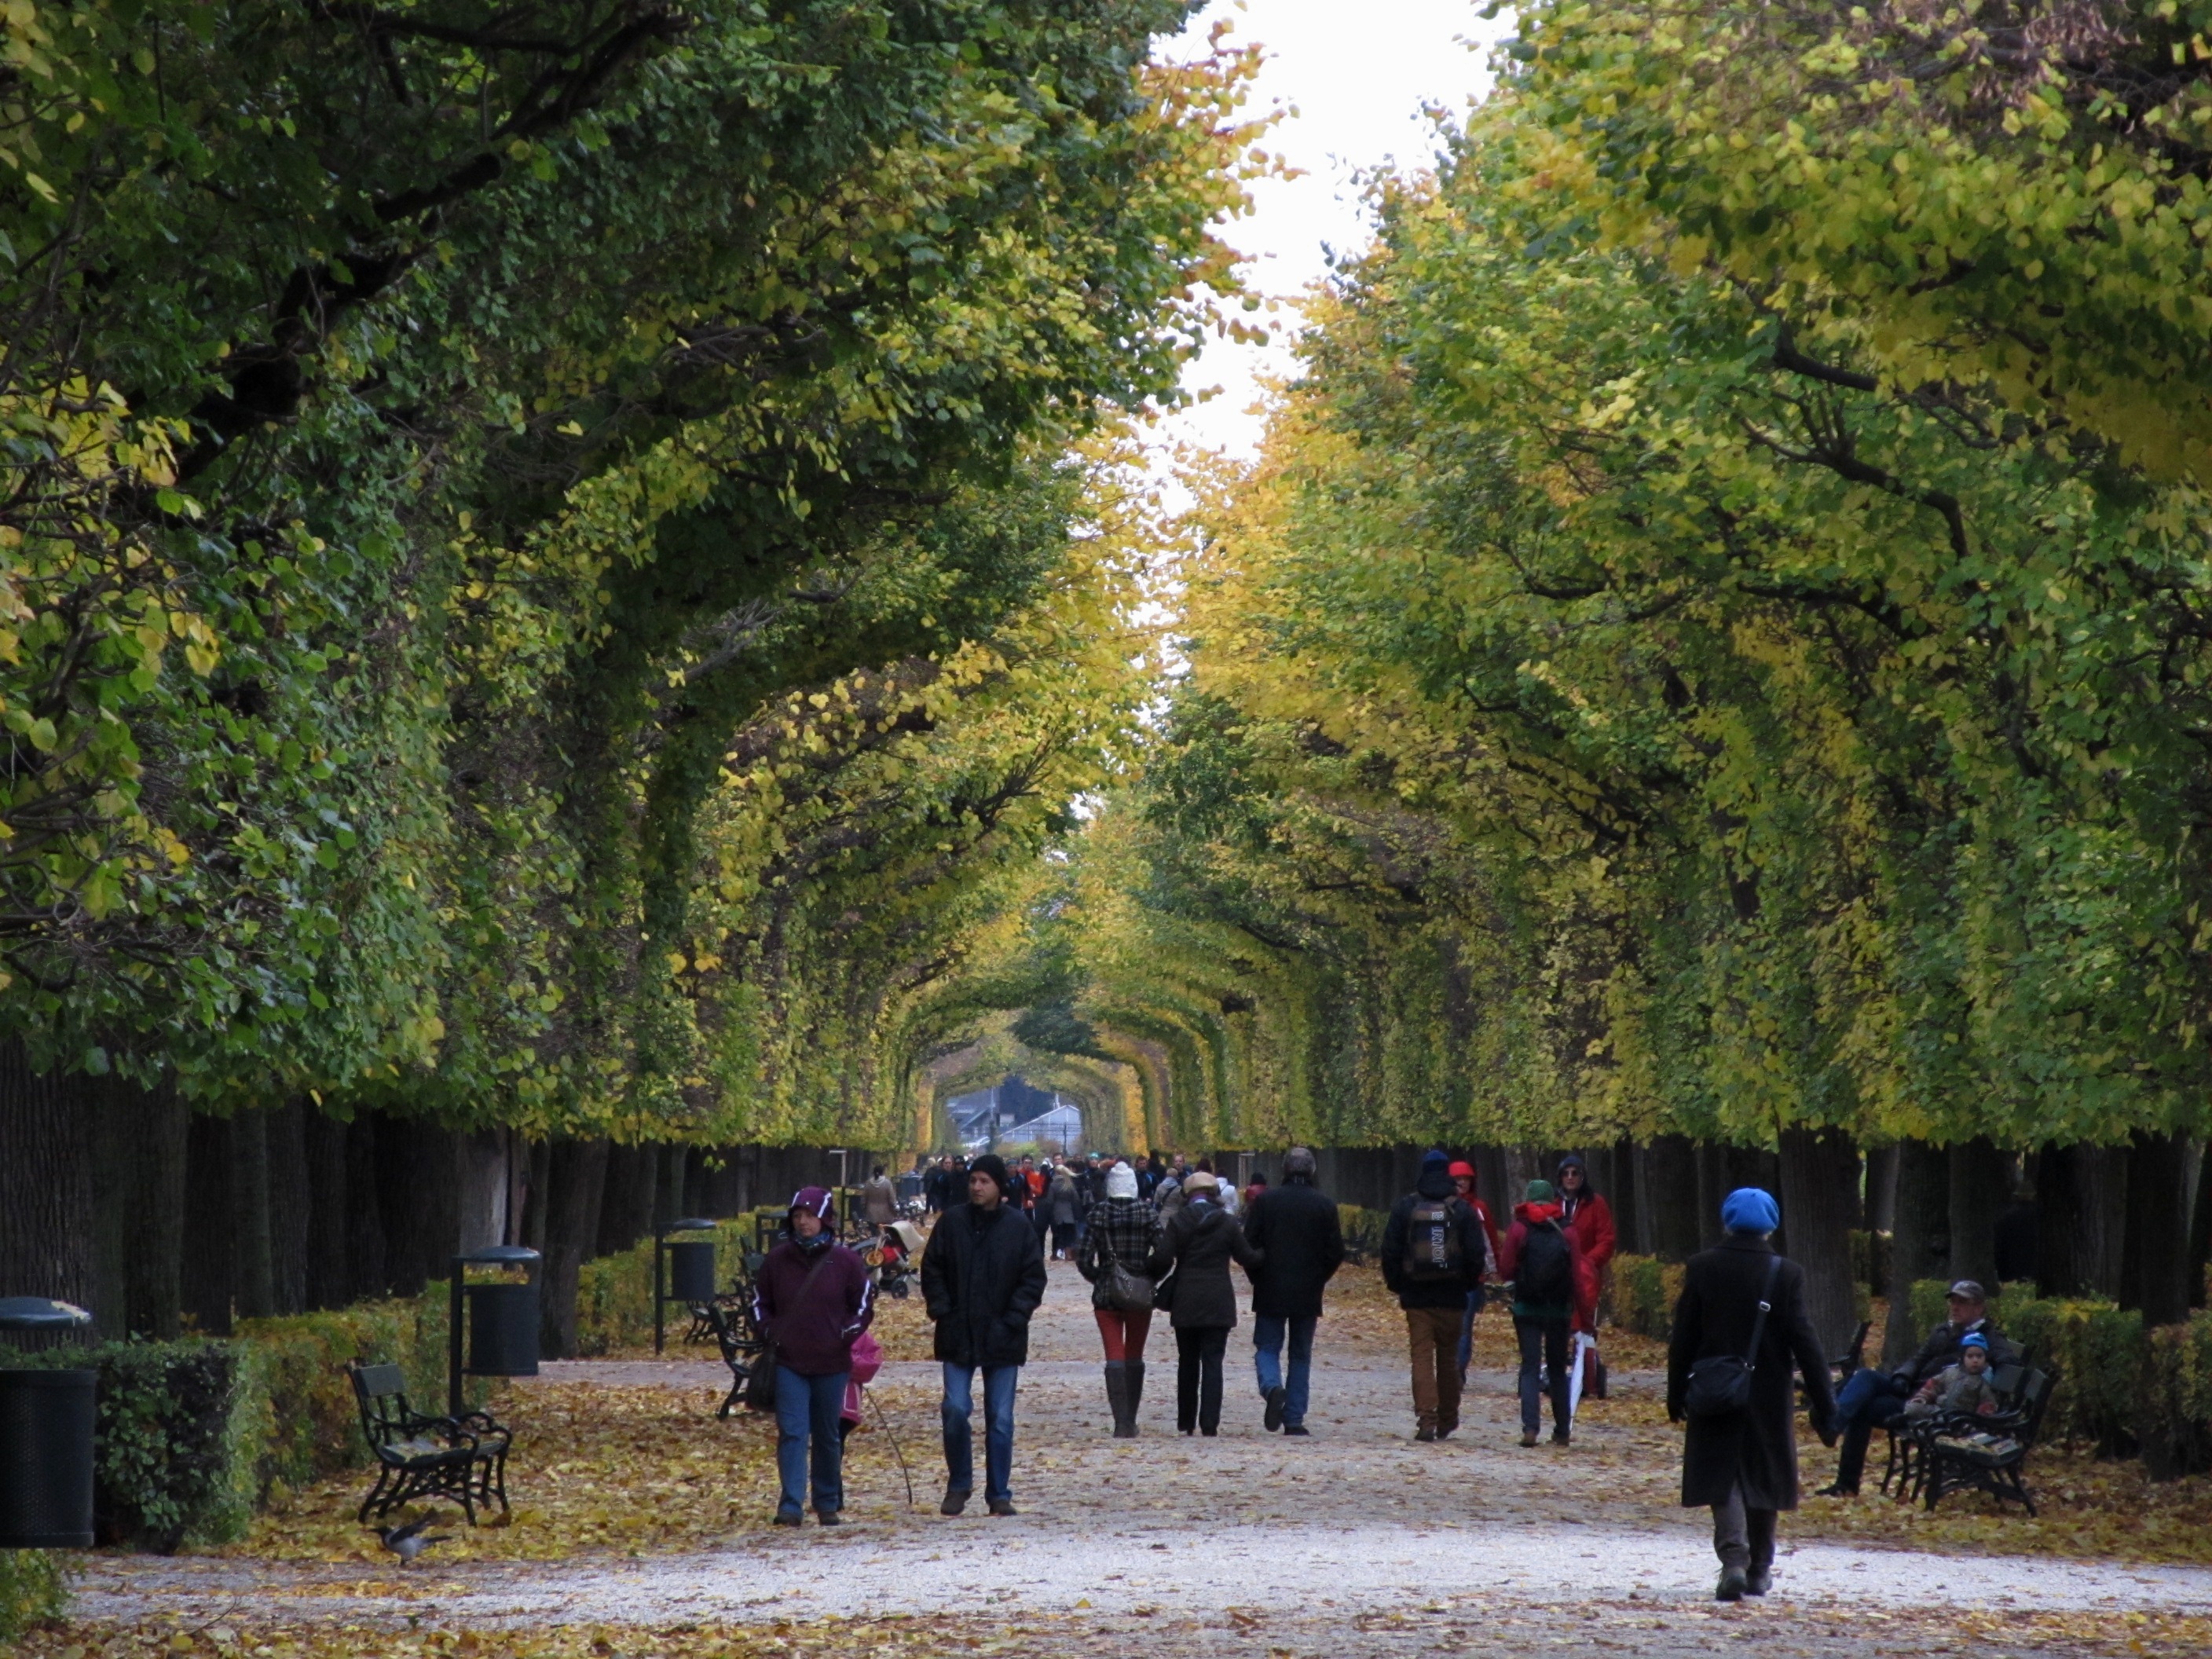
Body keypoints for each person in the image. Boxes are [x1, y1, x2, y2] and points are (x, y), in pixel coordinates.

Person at [1666, 1187, 1837, 1600]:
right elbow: (1805, 1340)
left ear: (1727, 1221)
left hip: (1714, 1387)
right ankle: (1760, 1568)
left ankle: (1734, 1561)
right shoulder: (1786, 1273)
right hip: (1767, 1392)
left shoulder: (1703, 1267)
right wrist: (1825, 1402)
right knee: (1765, 1474)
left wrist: (1676, 1392)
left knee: (1723, 1476)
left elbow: (1684, 1335)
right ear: (1771, 1225)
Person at [919, 1152, 1048, 1517]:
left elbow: (1032, 1277)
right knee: (955, 1409)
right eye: (973, 1180)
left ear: (998, 1186)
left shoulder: (1017, 1226)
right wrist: (942, 1308)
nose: (977, 1186)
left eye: (984, 1181)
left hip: (1002, 1333)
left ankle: (999, 1492)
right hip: (958, 1330)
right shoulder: (952, 1222)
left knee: (1001, 1419)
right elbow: (932, 1268)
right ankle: (959, 1484)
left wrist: (1015, 1316)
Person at [1819, 1279, 2018, 1496]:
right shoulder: (1943, 1330)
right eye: (1953, 1301)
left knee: (1863, 1407)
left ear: (1978, 1308)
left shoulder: (1988, 1336)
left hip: (1930, 1405)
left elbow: (2008, 1360)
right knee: (1866, 1376)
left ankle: (1845, 1478)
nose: (1955, 1307)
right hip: (1911, 1389)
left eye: (1963, 1302)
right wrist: (1903, 1376)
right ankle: (1835, 1425)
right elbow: (1918, 1358)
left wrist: (1983, 1366)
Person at [752, 1185, 875, 1526]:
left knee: (827, 1433)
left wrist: (847, 1333)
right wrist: (767, 1331)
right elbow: (760, 1301)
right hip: (790, 1361)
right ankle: (790, 1504)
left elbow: (863, 1305)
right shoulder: (777, 1260)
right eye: (798, 1216)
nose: (803, 1223)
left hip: (831, 1362)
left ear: (825, 1219)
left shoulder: (846, 1262)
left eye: (810, 1216)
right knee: (792, 1431)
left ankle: (826, 1501)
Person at [1380, 1148, 1489, 1441]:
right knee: (1449, 1357)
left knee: (1422, 1357)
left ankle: (1426, 1419)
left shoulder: (1407, 1206)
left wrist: (1398, 1283)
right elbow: (1476, 1253)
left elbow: (1390, 1249)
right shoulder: (1461, 1209)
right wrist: (1466, 1284)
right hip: (1452, 1296)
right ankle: (1448, 1418)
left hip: (1417, 1295)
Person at [1147, 1170, 1264, 1435]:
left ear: (1187, 1194)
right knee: (1213, 1361)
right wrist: (1269, 1252)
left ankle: (1186, 1421)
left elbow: (1163, 1259)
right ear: (1215, 1194)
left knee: (1187, 1361)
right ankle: (1210, 1423)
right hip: (1218, 1298)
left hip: (1186, 1298)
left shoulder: (1179, 1221)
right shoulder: (1227, 1222)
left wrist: (1146, 1275)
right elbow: (1248, 1257)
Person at [1242, 1146, 1344, 1436]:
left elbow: (1248, 1246)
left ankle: (1272, 1387)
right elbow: (1335, 1251)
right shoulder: (1324, 1204)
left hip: (1270, 1286)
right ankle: (1295, 1418)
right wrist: (1319, 1278)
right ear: (1312, 1171)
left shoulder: (1266, 1202)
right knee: (1300, 1354)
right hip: (1307, 1290)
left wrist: (1257, 1277)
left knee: (1267, 1347)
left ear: (1284, 1170)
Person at [1497, 1178, 1591, 1447]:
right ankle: (1562, 1430)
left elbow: (1505, 1270)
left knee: (1529, 1367)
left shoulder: (1519, 1228)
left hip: (1526, 1307)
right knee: (1557, 1368)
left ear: (1528, 1197)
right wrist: (1584, 1318)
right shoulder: (1568, 1231)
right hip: (1559, 1310)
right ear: (1552, 1199)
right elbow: (1576, 1277)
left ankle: (1530, 1428)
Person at [1075, 1159, 1161, 1437]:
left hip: (1107, 1296)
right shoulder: (1147, 1214)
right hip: (1139, 1294)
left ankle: (1120, 1421)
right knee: (1134, 1355)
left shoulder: (1098, 1215)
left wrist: (1100, 1278)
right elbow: (1163, 1254)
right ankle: (1131, 1418)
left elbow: (1084, 1257)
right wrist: (1149, 1277)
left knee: (1114, 1356)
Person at [1447, 1159, 1501, 1382]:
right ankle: (1452, 1364)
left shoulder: (1480, 1208)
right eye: (1458, 1179)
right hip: (1448, 1275)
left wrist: (1494, 1268)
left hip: (1472, 1277)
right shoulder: (1443, 1206)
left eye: (1466, 1179)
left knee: (1465, 1324)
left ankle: (1458, 1367)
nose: (1462, 1183)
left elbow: (1490, 1240)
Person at [1901, 1331, 2003, 1420]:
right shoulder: (1950, 1372)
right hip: (1940, 1410)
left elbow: (1987, 1404)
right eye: (1970, 1356)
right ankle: (1909, 1418)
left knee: (1961, 1424)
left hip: (1961, 1418)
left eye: (1979, 1356)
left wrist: (1978, 1419)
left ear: (1985, 1358)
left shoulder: (1983, 1382)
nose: (1975, 1360)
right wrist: (1922, 1399)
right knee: (1912, 1407)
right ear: (1963, 1357)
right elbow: (1933, 1385)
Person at [1047, 1160, 1080, 1259]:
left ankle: (1057, 1253)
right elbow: (1076, 1199)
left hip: (1057, 1213)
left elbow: (1050, 1200)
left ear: (1056, 1173)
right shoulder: (1069, 1184)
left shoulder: (1053, 1185)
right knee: (1069, 1235)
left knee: (1059, 1234)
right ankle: (1068, 1254)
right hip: (1069, 1213)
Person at [862, 1164, 898, 1229]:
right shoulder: (887, 1183)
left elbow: (864, 1198)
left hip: (871, 1213)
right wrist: (894, 1207)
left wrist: (864, 1208)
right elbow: (892, 1198)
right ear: (883, 1172)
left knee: (874, 1234)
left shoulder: (868, 1183)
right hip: (886, 1213)